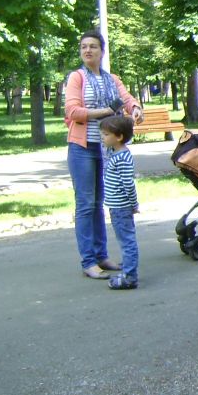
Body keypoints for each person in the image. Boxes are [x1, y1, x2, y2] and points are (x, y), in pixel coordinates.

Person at [64, 30, 144, 280]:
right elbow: (73, 112)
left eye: (93, 47)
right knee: (86, 205)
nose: (87, 51)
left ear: (102, 51)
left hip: (104, 150)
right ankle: (88, 261)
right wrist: (106, 111)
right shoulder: (77, 78)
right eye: (83, 47)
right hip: (82, 148)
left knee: (100, 203)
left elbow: (127, 98)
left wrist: (136, 108)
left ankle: (101, 256)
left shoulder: (111, 79)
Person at [100, 115, 140, 290]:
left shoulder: (123, 157)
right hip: (115, 206)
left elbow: (128, 184)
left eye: (106, 134)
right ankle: (128, 270)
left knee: (127, 241)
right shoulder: (114, 152)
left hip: (122, 206)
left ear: (119, 137)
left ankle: (130, 277)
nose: (103, 137)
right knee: (124, 239)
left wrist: (133, 204)